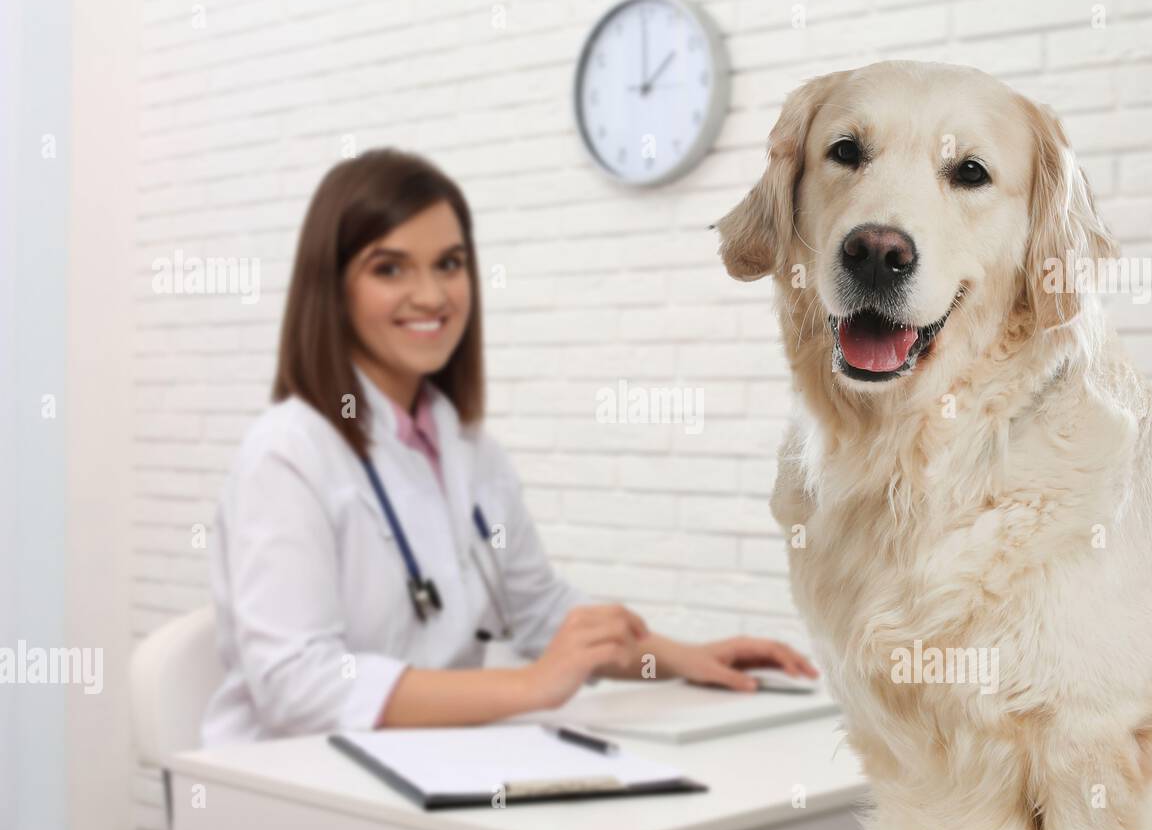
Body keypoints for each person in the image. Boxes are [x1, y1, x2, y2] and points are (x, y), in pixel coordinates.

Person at [202, 149, 816, 743]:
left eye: (449, 263)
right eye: (389, 268)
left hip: (427, 766)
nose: (432, 295)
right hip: (289, 787)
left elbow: (539, 613)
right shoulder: (287, 454)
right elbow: (295, 685)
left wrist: (685, 658)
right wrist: (530, 687)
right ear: (332, 288)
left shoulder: (467, 448)